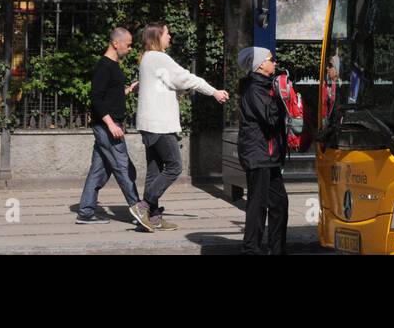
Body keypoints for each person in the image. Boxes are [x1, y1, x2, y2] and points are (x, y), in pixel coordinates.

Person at [135, 21, 229, 230]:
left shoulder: (147, 59)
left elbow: (166, 85)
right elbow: (185, 78)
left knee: (154, 170)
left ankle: (150, 219)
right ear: (157, 36)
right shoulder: (159, 58)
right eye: (167, 33)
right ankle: (144, 205)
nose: (170, 37)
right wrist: (213, 91)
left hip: (148, 123)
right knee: (175, 166)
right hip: (160, 124)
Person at [77, 27, 152, 229]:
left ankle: (85, 212)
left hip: (107, 126)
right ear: (115, 43)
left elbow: (110, 95)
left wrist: (128, 89)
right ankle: (140, 211)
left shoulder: (113, 66)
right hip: (108, 127)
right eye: (127, 45)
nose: (129, 49)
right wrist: (111, 124)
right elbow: (96, 98)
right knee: (124, 169)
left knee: (97, 170)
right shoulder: (104, 66)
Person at [237, 46, 289, 255]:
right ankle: (251, 249)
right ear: (260, 65)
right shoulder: (254, 89)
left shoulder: (265, 86)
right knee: (258, 206)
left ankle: (277, 249)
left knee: (279, 203)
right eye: (270, 59)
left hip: (268, 155)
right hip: (259, 154)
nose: (274, 63)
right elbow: (270, 118)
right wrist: (282, 98)